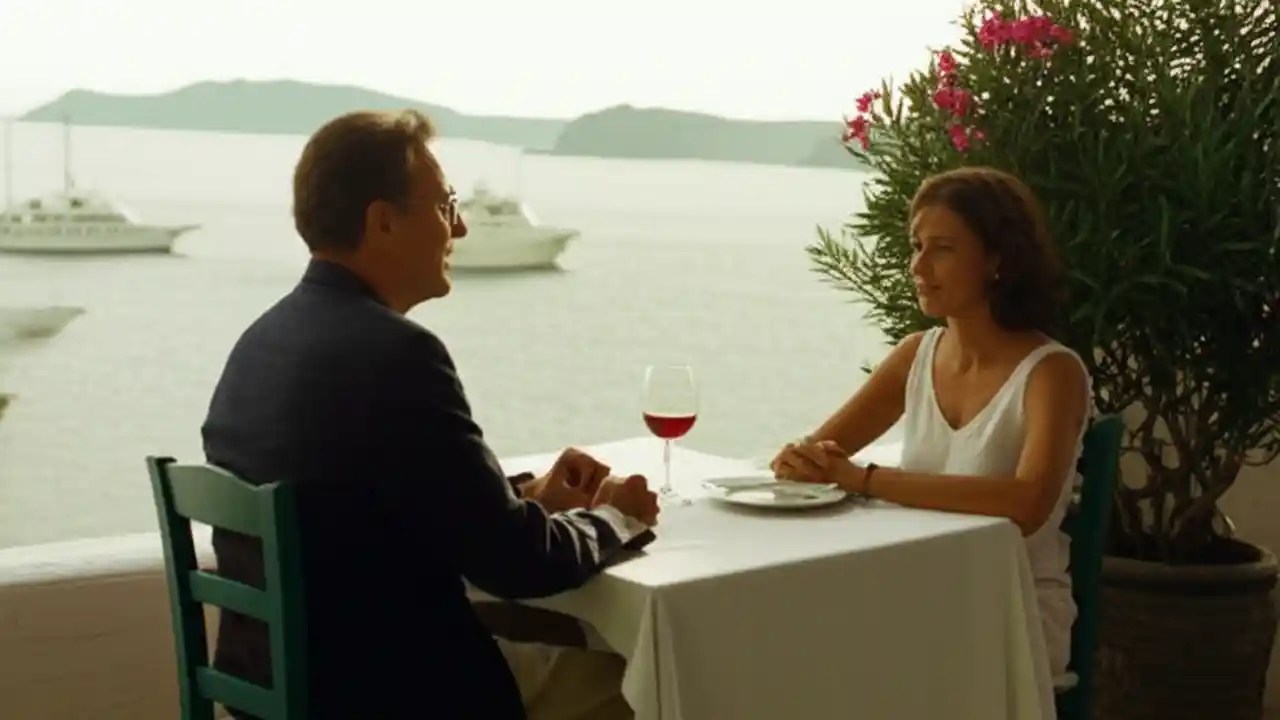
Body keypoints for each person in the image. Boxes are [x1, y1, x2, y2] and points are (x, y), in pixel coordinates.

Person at [202, 109, 658, 719]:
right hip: (398, 697)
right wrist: (615, 519)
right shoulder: (399, 354)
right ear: (383, 221)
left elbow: (361, 509)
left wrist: (526, 500)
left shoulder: (259, 343)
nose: (460, 227)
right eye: (446, 206)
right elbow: (517, 564)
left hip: (278, 687)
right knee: (646, 685)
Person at [771, 166, 1092, 681]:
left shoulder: (1052, 372)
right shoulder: (916, 355)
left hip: (1011, 609)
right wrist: (799, 460)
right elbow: (820, 451)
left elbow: (1028, 503)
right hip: (918, 588)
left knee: (836, 660)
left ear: (998, 260)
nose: (919, 266)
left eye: (942, 248)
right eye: (916, 246)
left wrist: (864, 479)